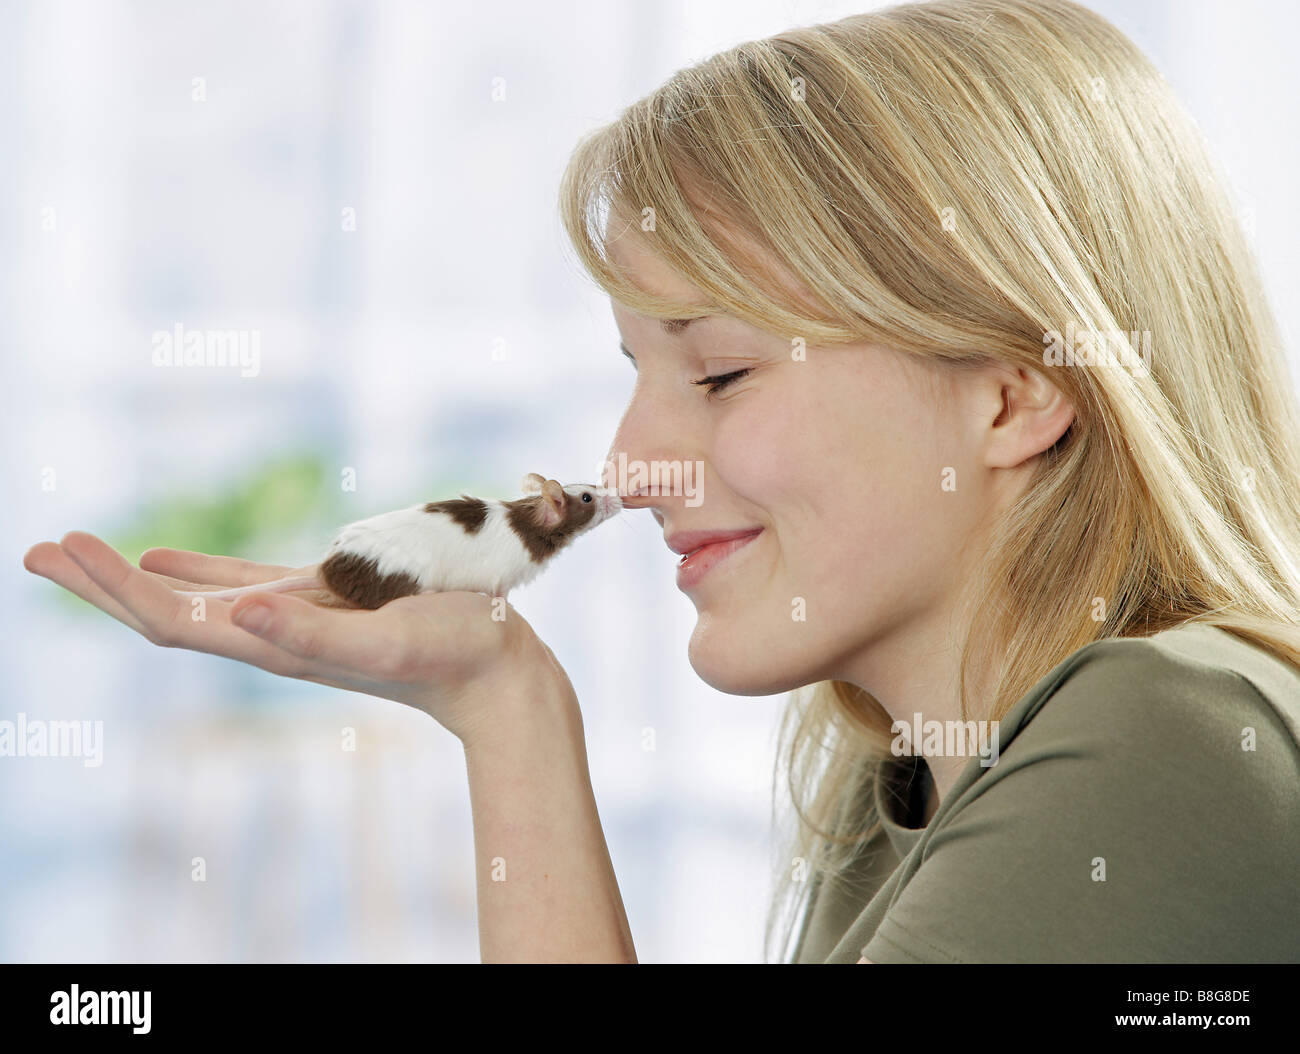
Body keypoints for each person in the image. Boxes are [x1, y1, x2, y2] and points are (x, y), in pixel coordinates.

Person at [25, 0, 1300, 963]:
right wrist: (498, 700)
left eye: (722, 372)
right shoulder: (909, 774)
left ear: (1016, 395)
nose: (629, 467)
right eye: (635, 366)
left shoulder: (1159, 743)